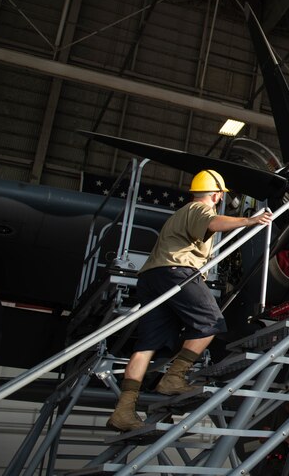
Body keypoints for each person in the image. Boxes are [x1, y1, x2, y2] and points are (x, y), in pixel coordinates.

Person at [108, 169, 272, 432]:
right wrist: (249, 222)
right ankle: (175, 376)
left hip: (152, 278)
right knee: (211, 323)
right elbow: (214, 222)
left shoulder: (178, 214)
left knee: (147, 346)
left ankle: (124, 409)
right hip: (177, 271)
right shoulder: (199, 209)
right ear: (216, 195)